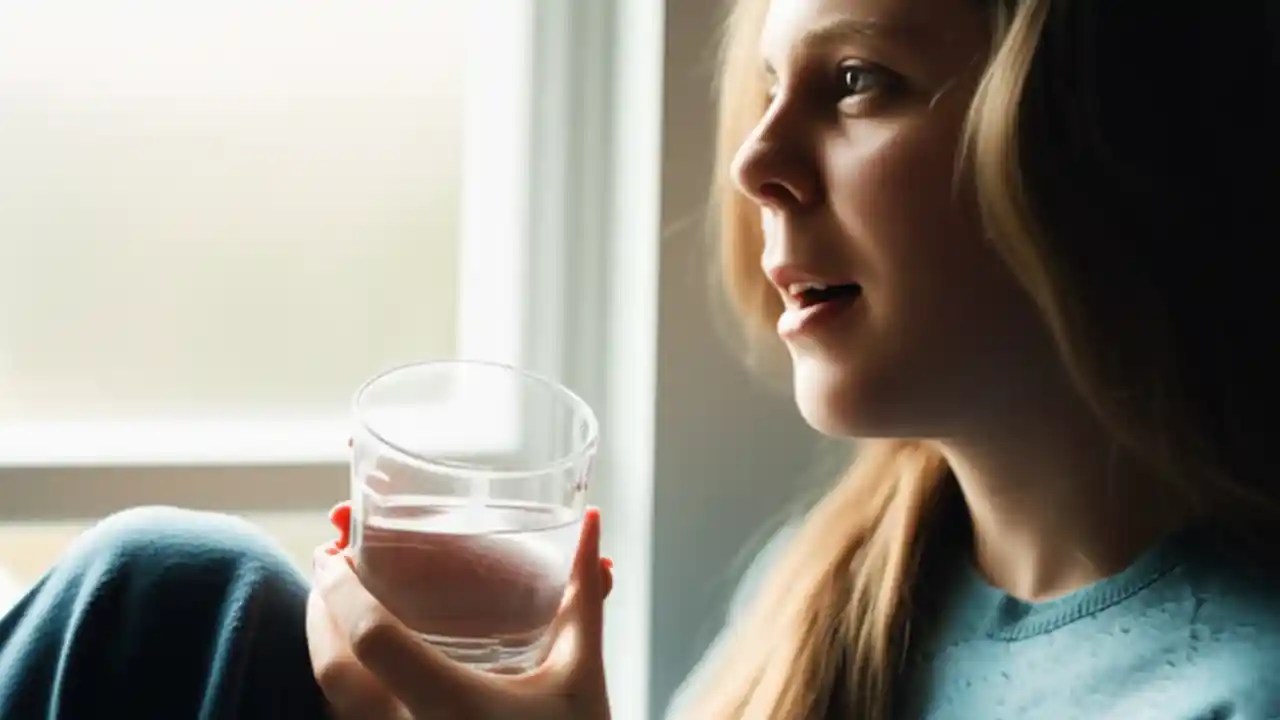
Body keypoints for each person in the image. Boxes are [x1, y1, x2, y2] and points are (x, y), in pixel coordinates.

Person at [3, 0, 1278, 717]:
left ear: (1098, 140)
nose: (753, 161)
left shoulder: (1233, 689)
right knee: (173, 592)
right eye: (768, 87)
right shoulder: (836, 581)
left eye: (855, 82)